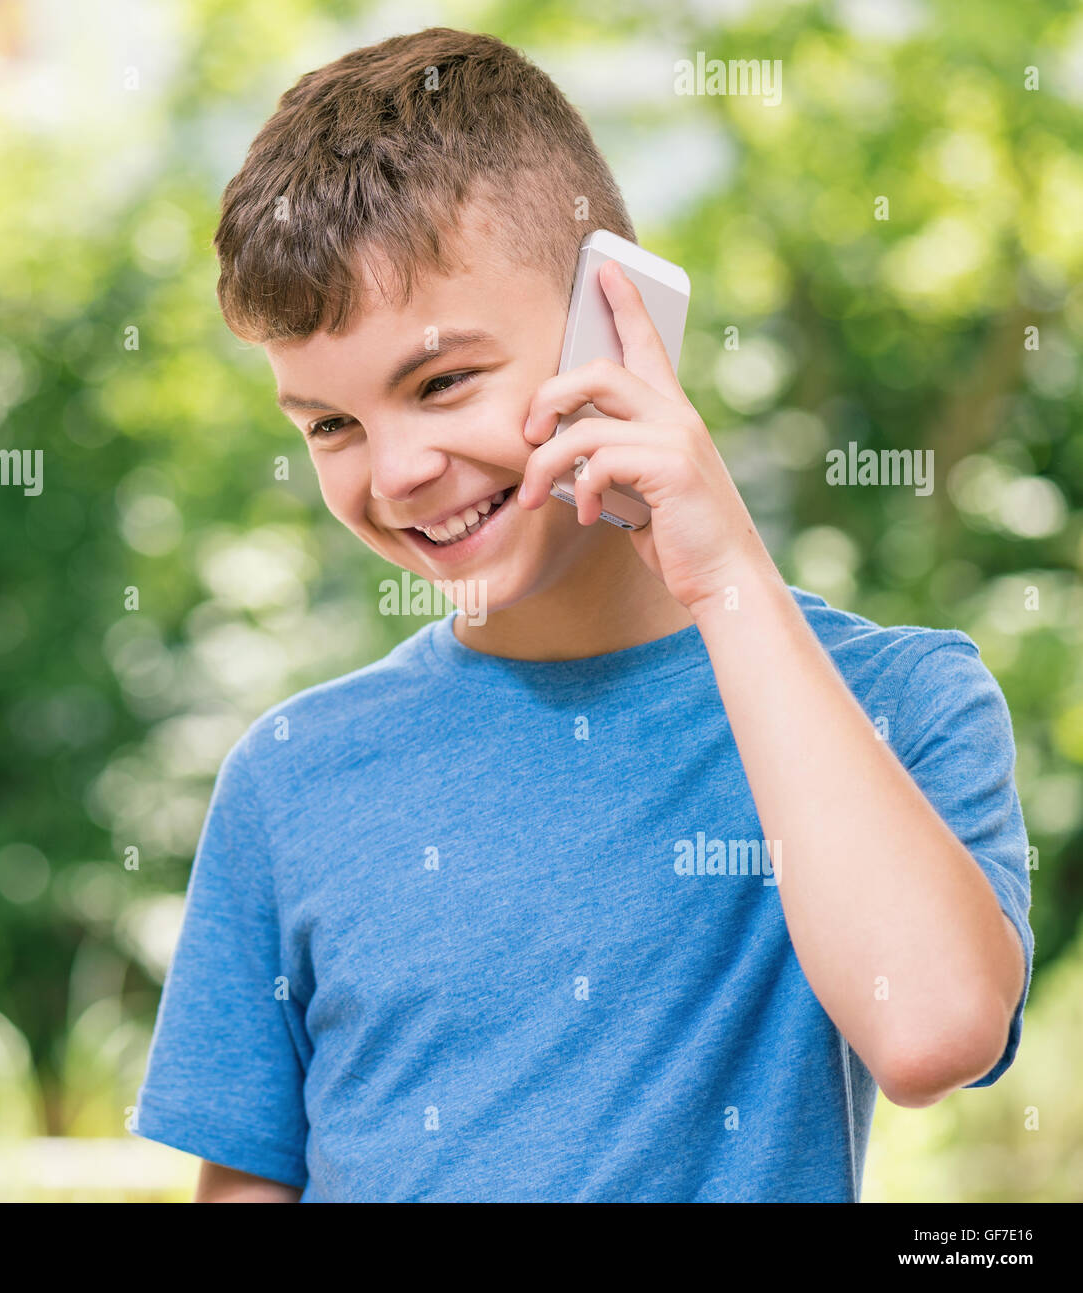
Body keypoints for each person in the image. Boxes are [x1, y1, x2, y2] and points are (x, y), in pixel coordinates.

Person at [131, 27, 1033, 1203]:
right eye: (329, 426)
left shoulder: (893, 704)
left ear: (620, 326)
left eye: (442, 381)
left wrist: (724, 579)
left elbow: (927, 1030)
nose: (394, 469)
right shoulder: (291, 778)